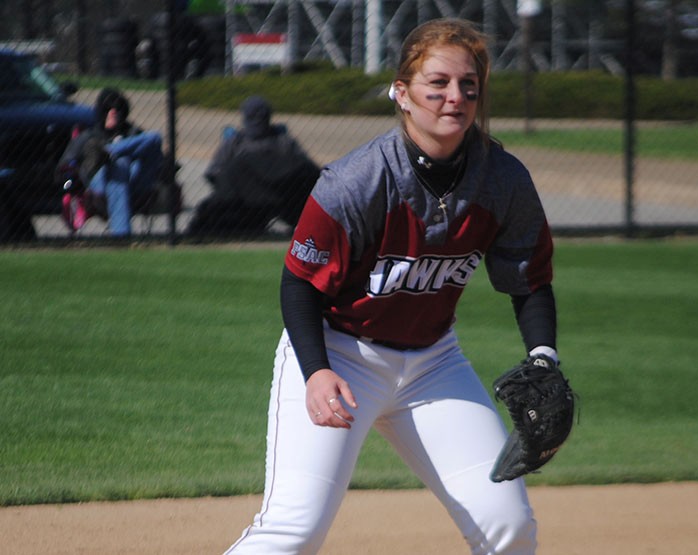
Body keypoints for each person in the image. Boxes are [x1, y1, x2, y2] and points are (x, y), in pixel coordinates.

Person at [225, 18, 558, 555]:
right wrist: (315, 371)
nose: (456, 97)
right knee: (294, 530)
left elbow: (530, 280)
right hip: (340, 353)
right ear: (402, 94)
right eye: (438, 84)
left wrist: (544, 357)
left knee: (510, 526)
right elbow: (299, 283)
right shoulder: (357, 180)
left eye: (468, 85)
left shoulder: (503, 179)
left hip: (434, 365)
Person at [187, 95, 319, 236]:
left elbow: (214, 172)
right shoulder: (282, 141)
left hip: (253, 202)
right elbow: (310, 170)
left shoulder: (237, 142)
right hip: (270, 201)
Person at [59, 87, 164, 236]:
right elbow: (65, 166)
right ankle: (122, 236)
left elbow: (156, 155)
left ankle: (110, 151)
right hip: (99, 185)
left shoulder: (133, 132)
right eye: (108, 109)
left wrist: (113, 151)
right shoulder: (89, 136)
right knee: (119, 166)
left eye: (118, 110)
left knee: (154, 137)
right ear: (101, 112)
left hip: (136, 182)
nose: (113, 113)